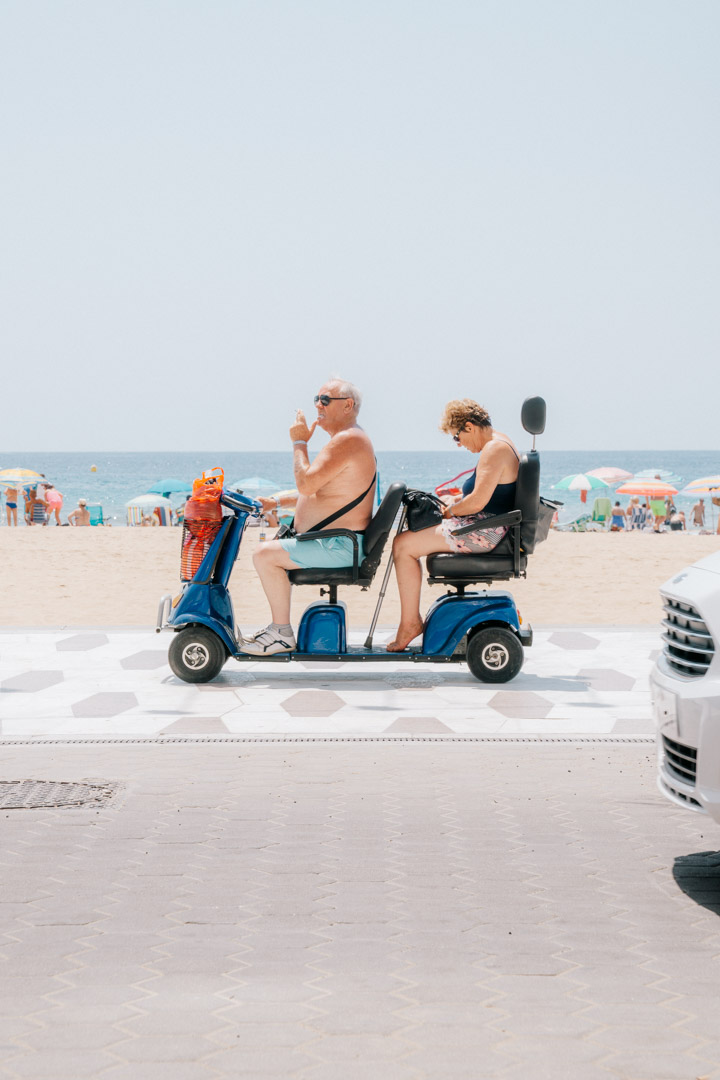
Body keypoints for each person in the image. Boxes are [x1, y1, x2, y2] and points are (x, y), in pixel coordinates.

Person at [241, 379, 376, 656]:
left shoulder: (348, 439)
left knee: (263, 555)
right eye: (317, 399)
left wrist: (299, 442)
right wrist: (275, 502)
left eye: (325, 400)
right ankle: (278, 630)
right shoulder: (348, 439)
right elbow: (320, 490)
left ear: (348, 405)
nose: (318, 406)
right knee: (267, 552)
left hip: (340, 546)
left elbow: (306, 484)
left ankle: (281, 633)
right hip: (338, 543)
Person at [387, 399, 520, 653]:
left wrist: (450, 510)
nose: (459, 444)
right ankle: (410, 622)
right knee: (407, 540)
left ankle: (410, 624)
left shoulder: (494, 449)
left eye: (457, 437)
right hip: (487, 525)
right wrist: (456, 500)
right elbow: (488, 494)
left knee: (403, 545)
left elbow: (478, 502)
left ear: (469, 427)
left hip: (484, 531)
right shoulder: (500, 442)